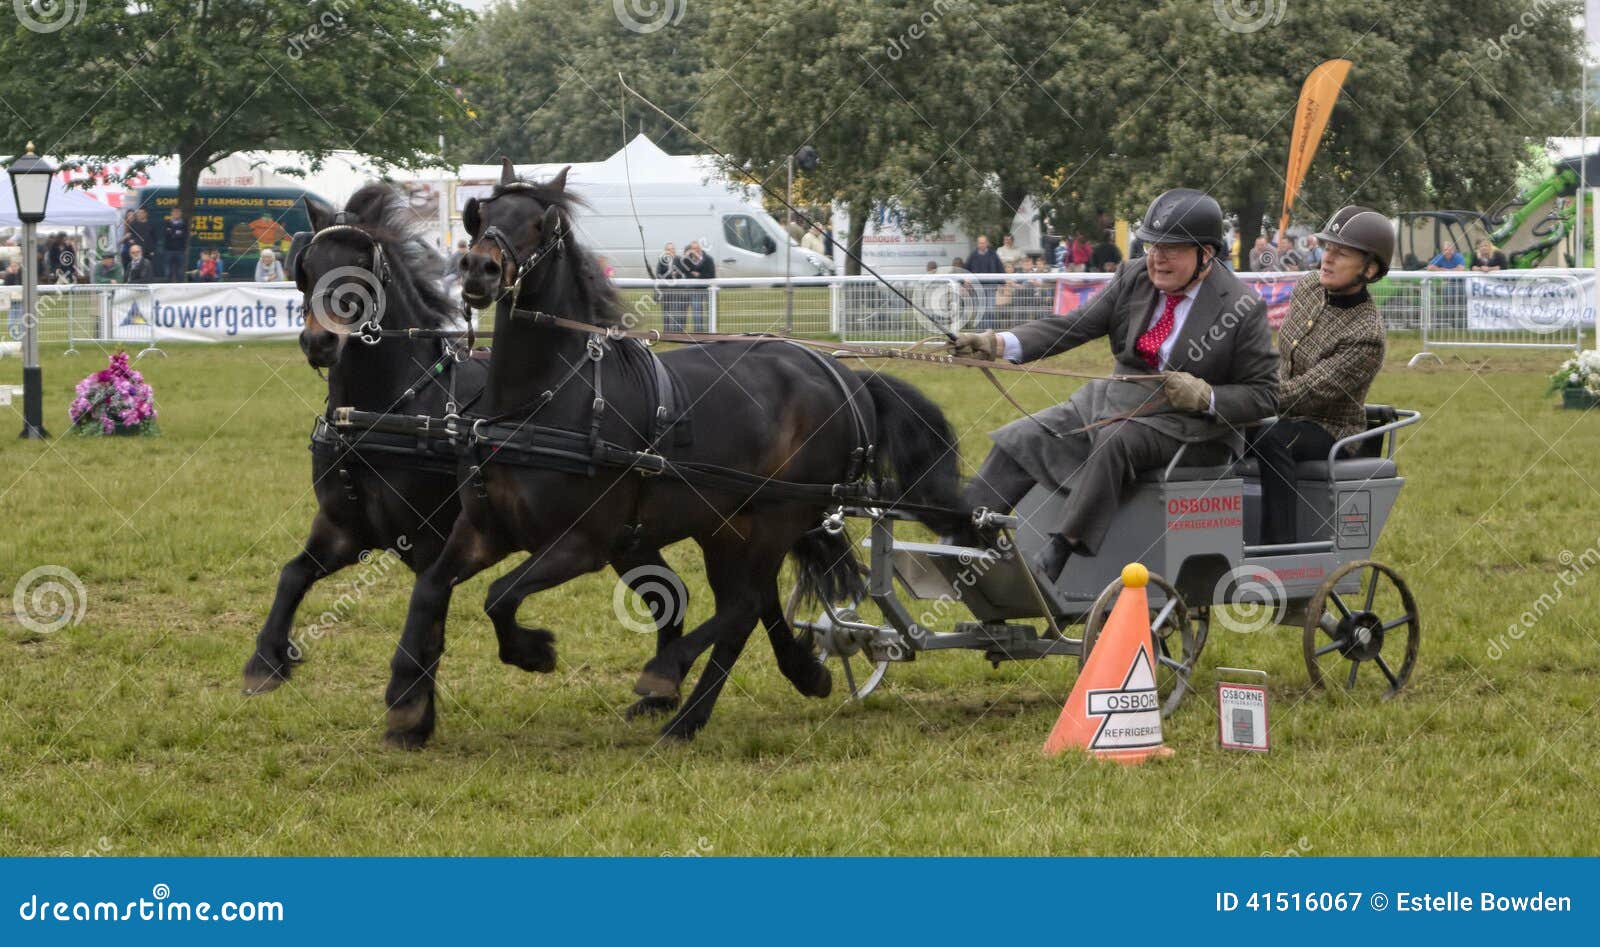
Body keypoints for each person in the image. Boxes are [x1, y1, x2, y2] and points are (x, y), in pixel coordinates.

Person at [949, 187, 1277, 581]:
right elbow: (1074, 325)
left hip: (1191, 429)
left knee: (1115, 438)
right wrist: (998, 343)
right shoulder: (1134, 276)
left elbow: (1265, 394)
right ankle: (962, 534)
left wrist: (1205, 395)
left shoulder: (1242, 306)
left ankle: (1060, 550)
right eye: (1152, 246)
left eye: (1171, 248)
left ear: (1206, 253)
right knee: (1023, 436)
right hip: (1114, 402)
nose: (1157, 257)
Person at [1246, 206, 1389, 546]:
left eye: (1341, 253)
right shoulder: (1308, 287)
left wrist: (1248, 397)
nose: (1328, 258)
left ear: (1369, 269)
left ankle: (1281, 550)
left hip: (1328, 428)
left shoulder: (1366, 334)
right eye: (1327, 249)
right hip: (1280, 412)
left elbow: (1308, 392)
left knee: (1272, 439)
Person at [680, 240, 715, 331]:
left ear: (700, 248)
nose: (695, 250)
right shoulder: (688, 260)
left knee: (710, 311)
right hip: (695, 289)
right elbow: (686, 272)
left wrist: (699, 275)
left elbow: (711, 275)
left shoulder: (708, 259)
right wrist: (685, 256)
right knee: (697, 311)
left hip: (708, 289)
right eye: (693, 249)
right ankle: (698, 332)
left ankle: (710, 331)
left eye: (697, 248)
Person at [655, 241, 687, 331]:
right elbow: (658, 274)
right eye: (668, 249)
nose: (670, 251)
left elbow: (684, 274)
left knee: (678, 311)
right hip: (665, 290)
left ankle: (678, 331)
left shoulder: (679, 260)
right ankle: (667, 331)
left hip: (677, 291)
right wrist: (670, 274)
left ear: (675, 250)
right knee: (666, 312)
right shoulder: (662, 260)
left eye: (672, 249)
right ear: (665, 251)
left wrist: (677, 274)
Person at [162, 208, 189, 282]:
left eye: (178, 212)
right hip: (168, 250)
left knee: (180, 272)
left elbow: (184, 235)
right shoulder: (167, 223)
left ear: (181, 213)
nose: (176, 213)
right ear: (171, 213)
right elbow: (166, 235)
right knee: (168, 272)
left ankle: (180, 289)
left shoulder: (184, 224)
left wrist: (172, 232)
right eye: (174, 212)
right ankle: (167, 288)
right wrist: (176, 233)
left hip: (180, 250)